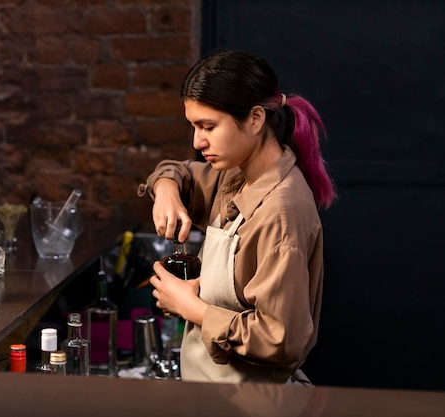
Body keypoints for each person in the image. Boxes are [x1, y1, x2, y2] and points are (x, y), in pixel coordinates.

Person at [137, 50, 335, 385]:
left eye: (208, 126)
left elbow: (280, 338)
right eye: (194, 126)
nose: (198, 141)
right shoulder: (235, 175)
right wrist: (167, 190)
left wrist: (193, 308)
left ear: (255, 119)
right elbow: (178, 171)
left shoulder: (280, 213)